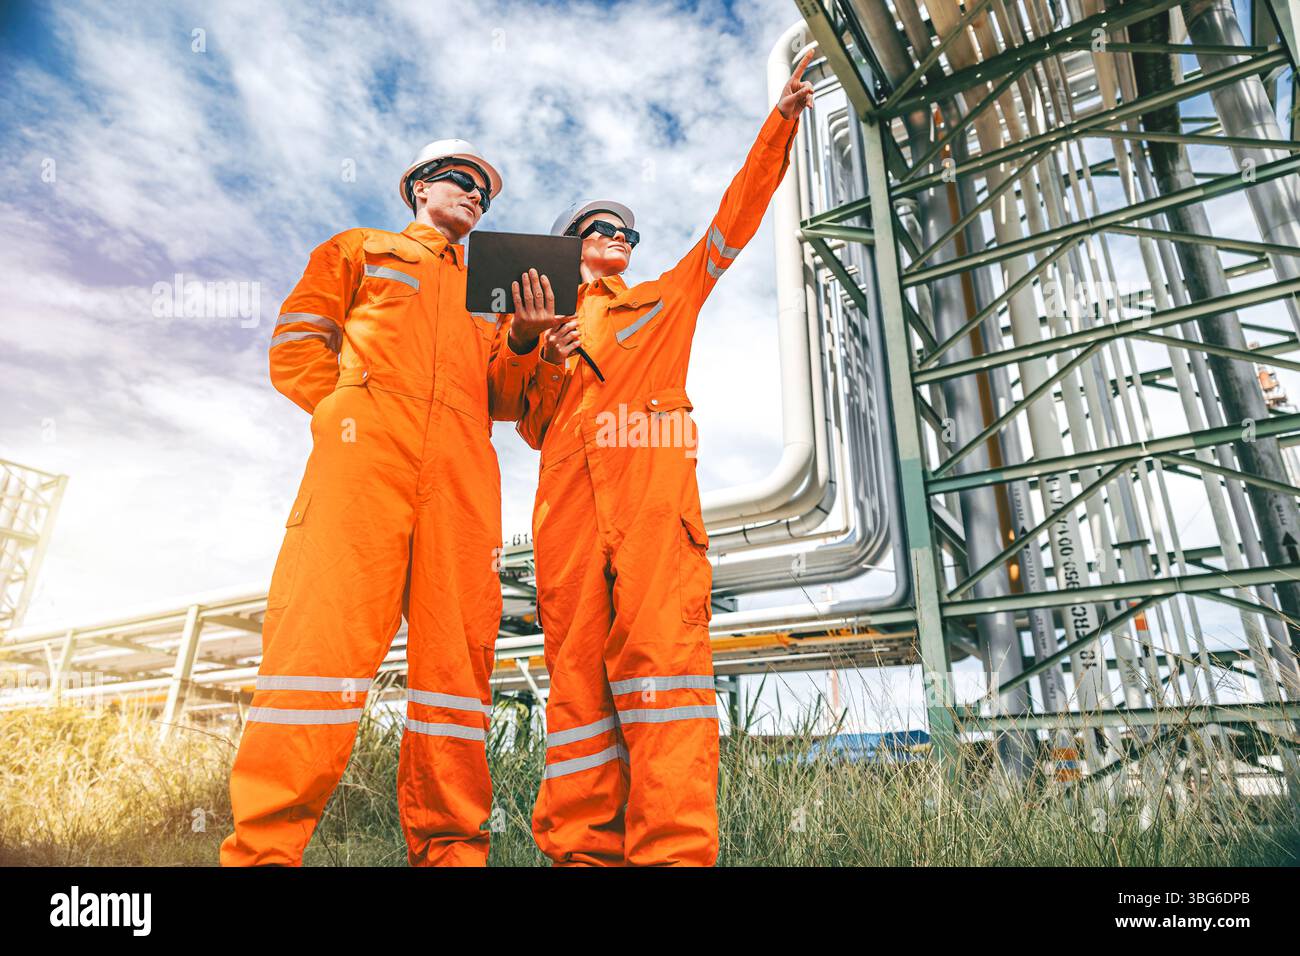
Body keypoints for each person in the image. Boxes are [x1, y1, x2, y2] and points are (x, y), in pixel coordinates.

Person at [221, 139, 557, 866]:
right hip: (364, 465)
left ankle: (452, 853)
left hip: (463, 480)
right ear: (418, 188)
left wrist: (527, 337)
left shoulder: (489, 292)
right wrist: (349, 415)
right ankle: (262, 852)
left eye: (486, 194)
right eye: (464, 181)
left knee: (457, 674)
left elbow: (506, 398)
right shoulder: (359, 248)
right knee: (317, 653)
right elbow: (295, 343)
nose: (476, 196)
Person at [516, 51, 816, 866]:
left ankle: (672, 857)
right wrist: (544, 351)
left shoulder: (666, 297)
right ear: (571, 244)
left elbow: (735, 219)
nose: (617, 237)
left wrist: (779, 122)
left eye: (626, 232)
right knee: (576, 687)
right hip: (569, 517)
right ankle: (581, 853)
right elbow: (529, 424)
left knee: (664, 682)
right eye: (600, 229)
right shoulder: (538, 317)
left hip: (653, 512)